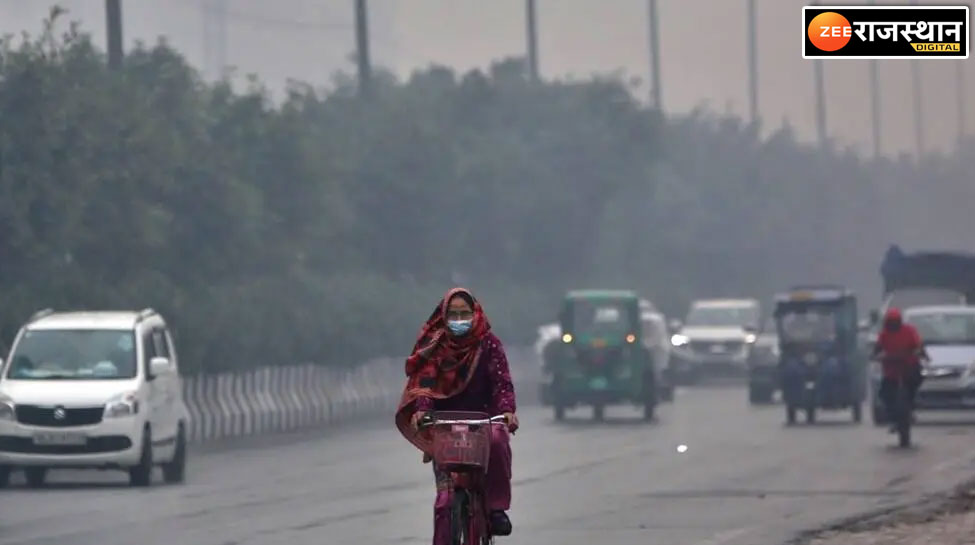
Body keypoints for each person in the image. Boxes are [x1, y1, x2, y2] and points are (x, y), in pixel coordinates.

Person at [394, 287, 519, 542]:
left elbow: (502, 383)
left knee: (499, 441)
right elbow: (424, 385)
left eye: (465, 314)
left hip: (483, 424)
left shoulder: (490, 344)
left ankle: (496, 510)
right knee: (444, 503)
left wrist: (507, 411)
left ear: (475, 314)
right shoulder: (436, 348)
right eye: (453, 314)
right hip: (445, 427)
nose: (459, 320)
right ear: (443, 316)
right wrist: (422, 411)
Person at [872, 307, 928, 432]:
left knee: (916, 380)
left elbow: (918, 345)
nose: (893, 324)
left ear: (900, 321)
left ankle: (912, 404)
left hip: (909, 367)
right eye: (890, 322)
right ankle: (893, 417)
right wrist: (875, 356)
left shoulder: (909, 331)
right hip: (891, 370)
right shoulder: (884, 335)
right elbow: (877, 349)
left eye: (895, 321)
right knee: (885, 393)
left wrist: (920, 353)